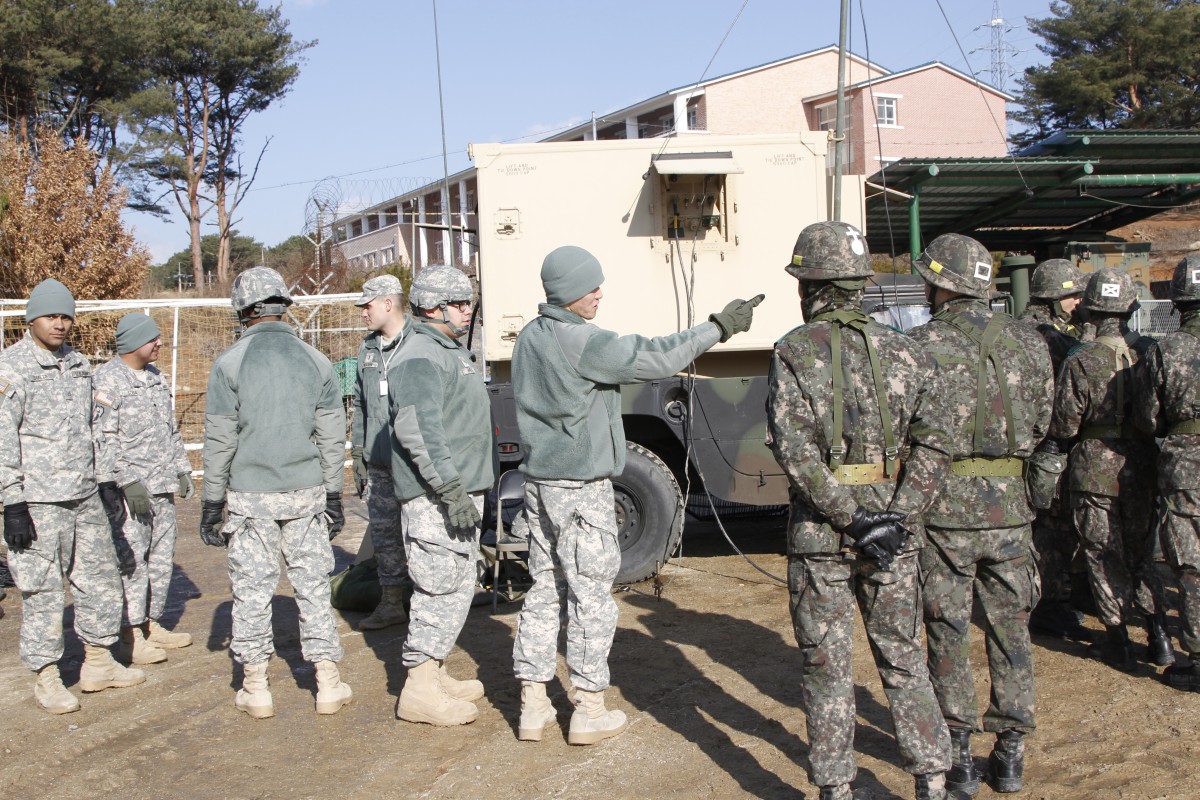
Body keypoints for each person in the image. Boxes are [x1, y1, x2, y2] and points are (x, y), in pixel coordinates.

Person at [511, 244, 758, 745]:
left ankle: (532, 706)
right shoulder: (582, 341)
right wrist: (720, 326)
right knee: (590, 597)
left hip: (539, 484)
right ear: (568, 292)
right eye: (591, 286)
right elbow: (658, 356)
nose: (599, 293)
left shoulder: (530, 337)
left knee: (544, 590)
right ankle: (588, 709)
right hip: (580, 489)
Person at [766, 222, 957, 800]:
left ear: (812, 286)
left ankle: (835, 789)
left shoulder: (796, 350)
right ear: (860, 284)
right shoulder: (908, 348)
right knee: (902, 655)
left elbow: (793, 450)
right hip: (893, 535)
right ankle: (932, 776)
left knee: (827, 666)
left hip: (824, 534)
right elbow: (936, 441)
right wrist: (898, 517)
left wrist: (852, 518)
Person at [908, 234, 1054, 795]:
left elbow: (907, 431)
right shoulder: (1029, 343)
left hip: (944, 513)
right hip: (1011, 511)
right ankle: (1011, 753)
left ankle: (961, 756)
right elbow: (1045, 427)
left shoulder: (919, 344)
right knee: (1011, 629)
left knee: (946, 629)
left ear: (942, 284)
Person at [200, 267, 352, 719]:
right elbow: (330, 437)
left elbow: (220, 439)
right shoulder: (316, 360)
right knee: (312, 588)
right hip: (306, 492)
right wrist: (334, 495)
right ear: (284, 306)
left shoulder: (229, 363)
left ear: (243, 310)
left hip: (250, 496)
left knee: (251, 591)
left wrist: (212, 501)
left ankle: (257, 687)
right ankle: (327, 682)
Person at [0, 278, 144, 715]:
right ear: (31, 319)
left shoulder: (79, 364)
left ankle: (98, 662)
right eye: (51, 316)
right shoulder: (12, 368)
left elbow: (93, 429)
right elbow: (3, 436)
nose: (60, 324)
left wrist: (104, 482)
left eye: (66, 316)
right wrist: (11, 502)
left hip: (83, 495)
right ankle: (46, 676)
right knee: (41, 590)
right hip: (38, 502)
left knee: (99, 579)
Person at [389, 265, 495, 727]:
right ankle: (419, 689)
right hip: (438, 497)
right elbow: (419, 431)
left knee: (453, 585)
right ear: (434, 308)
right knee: (438, 587)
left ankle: (433, 672)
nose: (468, 310)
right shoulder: (419, 354)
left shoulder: (444, 349)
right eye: (460, 303)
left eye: (468, 301)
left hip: (457, 491)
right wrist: (451, 491)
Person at [1049, 268, 1170, 671]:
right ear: (1131, 307)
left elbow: (1065, 424)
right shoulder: (1150, 350)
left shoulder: (1081, 358)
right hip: (1143, 464)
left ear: (1090, 310)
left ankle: (1117, 642)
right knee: (1143, 555)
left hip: (1094, 469)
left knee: (1102, 555)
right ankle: (1160, 636)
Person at [93, 312, 196, 667]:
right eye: (153, 338)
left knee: (160, 559)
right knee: (132, 562)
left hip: (162, 485)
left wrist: (182, 469)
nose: (159, 343)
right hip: (132, 493)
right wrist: (125, 480)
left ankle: (151, 623)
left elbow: (170, 429)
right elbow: (102, 439)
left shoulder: (154, 377)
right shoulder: (108, 380)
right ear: (134, 341)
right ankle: (130, 633)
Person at [1135, 254, 1200, 691]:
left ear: (1177, 301)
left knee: (1192, 565)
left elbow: (1148, 418)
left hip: (1187, 465)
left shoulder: (1167, 349)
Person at [1018, 259, 1091, 640]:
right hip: (1047, 448)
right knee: (1052, 529)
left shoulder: (1017, 329)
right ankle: (1049, 606)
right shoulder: (1053, 338)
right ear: (1053, 297)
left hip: (1022, 446)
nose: (1078, 301)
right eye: (1072, 295)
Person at [350, 275, 415, 630]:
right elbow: (360, 405)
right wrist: (357, 451)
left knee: (420, 534)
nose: (363, 313)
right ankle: (391, 602)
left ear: (388, 304)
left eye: (368, 306)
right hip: (380, 461)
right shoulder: (367, 350)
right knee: (385, 533)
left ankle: (426, 606)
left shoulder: (420, 343)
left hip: (415, 461)